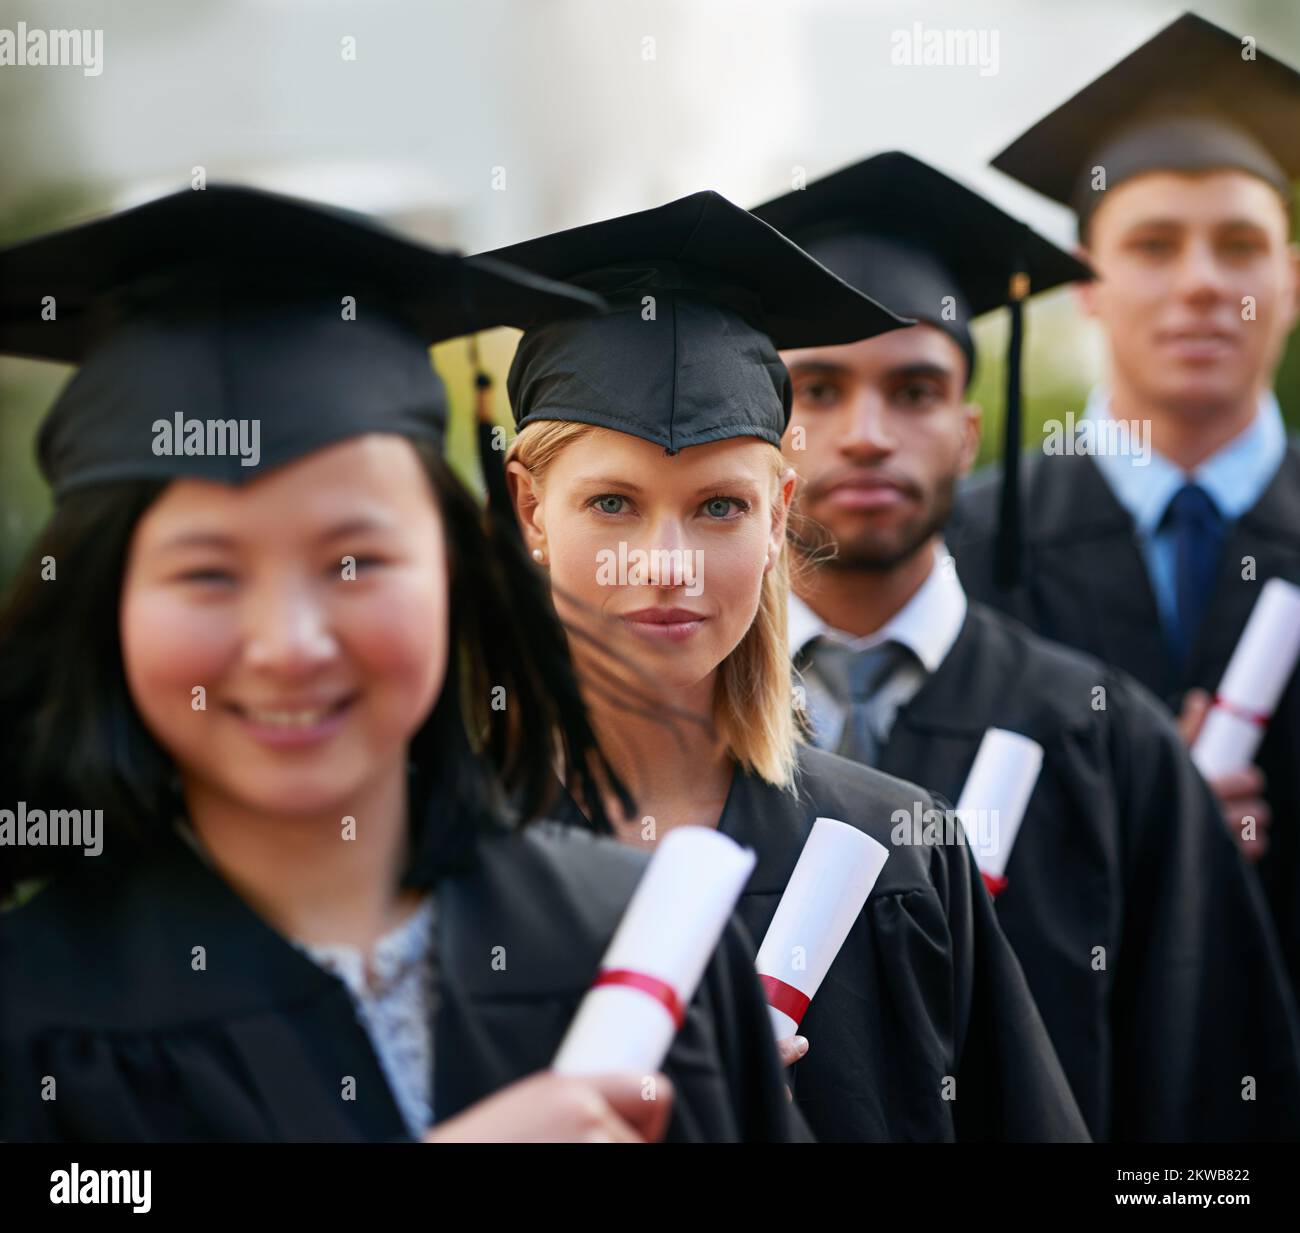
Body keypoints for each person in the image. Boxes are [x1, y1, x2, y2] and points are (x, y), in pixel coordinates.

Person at [0, 185, 803, 1144]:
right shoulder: (33, 1023)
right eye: (207, 572)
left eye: (355, 561)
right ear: (106, 603)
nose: (290, 643)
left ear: (457, 572)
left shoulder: (648, 944)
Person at [487, 188, 1090, 1142]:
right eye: (611, 503)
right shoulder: (424, 863)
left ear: (778, 517)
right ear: (530, 512)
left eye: (720, 506)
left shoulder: (903, 852)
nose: (669, 564)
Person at [751, 149, 1300, 1140]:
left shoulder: (1103, 739)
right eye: (817, 391)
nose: (868, 434)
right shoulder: (666, 738)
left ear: (967, 433)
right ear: (756, 433)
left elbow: (1208, 1091)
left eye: (914, 391)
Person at [947, 12, 1300, 996]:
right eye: (1152, 245)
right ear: (1089, 287)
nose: (1198, 283)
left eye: (1238, 244)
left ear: (1293, 280)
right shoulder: (964, 549)